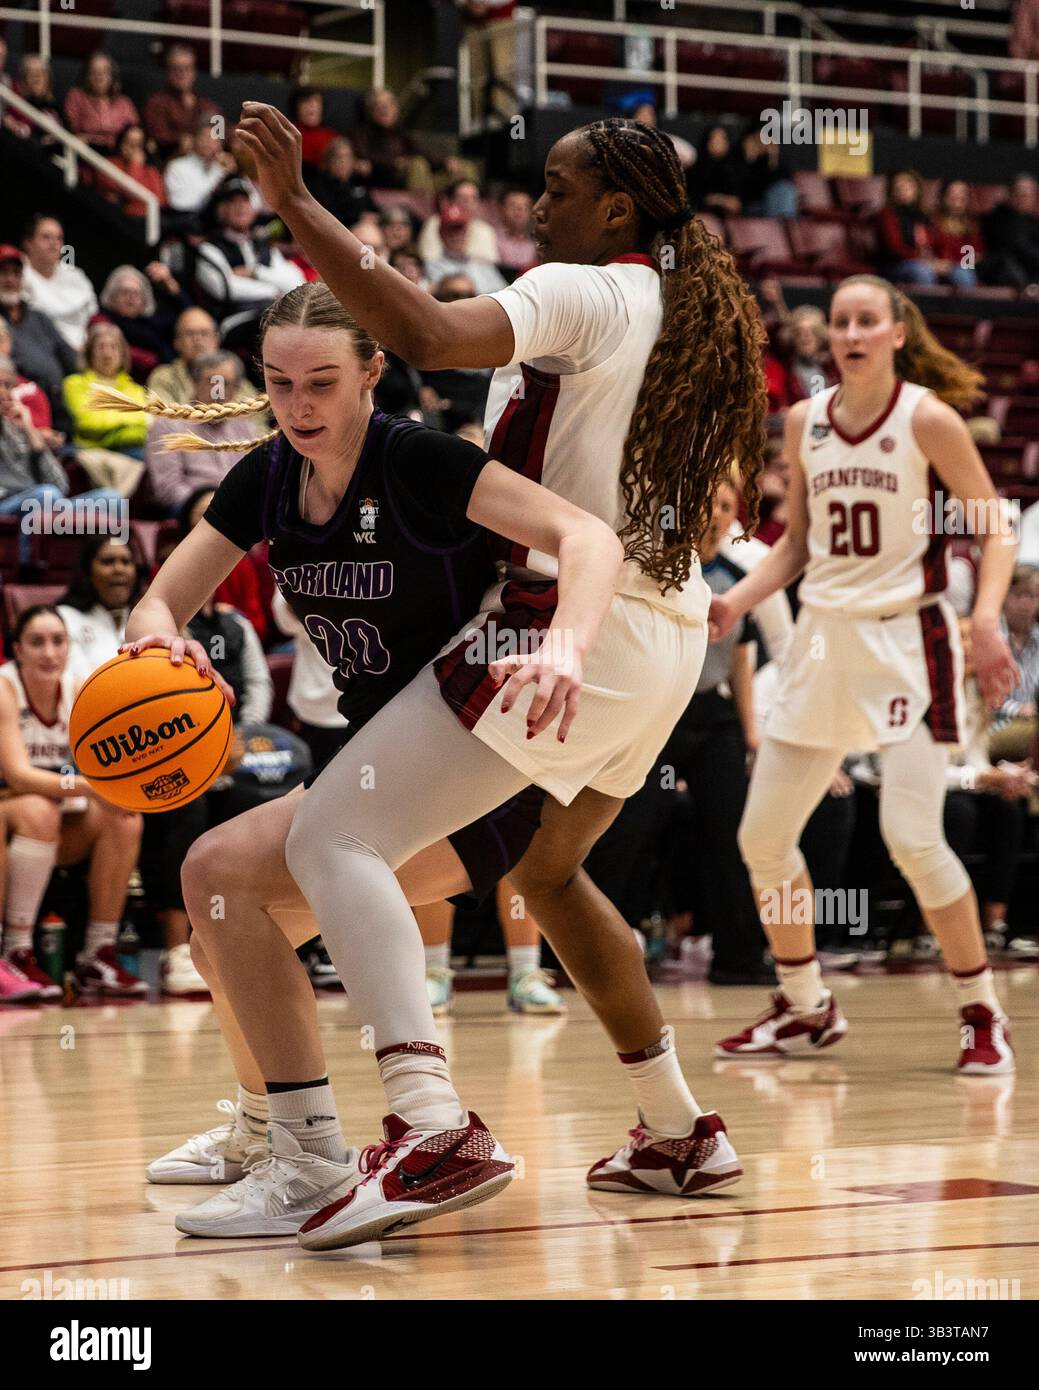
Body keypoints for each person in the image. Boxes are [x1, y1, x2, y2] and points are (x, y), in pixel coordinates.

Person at [209, 105, 768, 1246]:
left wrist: (298, 206)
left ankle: (430, 1127)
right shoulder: (685, 315)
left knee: (332, 836)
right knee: (551, 879)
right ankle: (676, 1130)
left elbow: (421, 330)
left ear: (616, 208)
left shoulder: (589, 290)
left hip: (564, 628)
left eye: (557, 189)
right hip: (658, 643)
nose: (535, 205)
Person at [119, 281, 595, 1230]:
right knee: (218, 928)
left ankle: (324, 1152)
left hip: (471, 764)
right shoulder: (265, 477)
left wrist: (567, 642)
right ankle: (265, 1131)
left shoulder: (418, 460)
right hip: (370, 767)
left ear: (373, 372)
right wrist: (160, 642)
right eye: (280, 382)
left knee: (217, 869)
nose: (299, 405)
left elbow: (581, 535)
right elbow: (157, 602)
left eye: (322, 383)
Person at [710, 274, 1019, 1074]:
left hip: (905, 641)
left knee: (911, 834)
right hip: (822, 640)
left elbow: (995, 531)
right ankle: (806, 1005)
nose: (848, 333)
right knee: (763, 837)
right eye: (840, 321)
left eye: (864, 321)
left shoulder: (928, 418)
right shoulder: (806, 422)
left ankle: (981, 1012)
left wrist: (984, 620)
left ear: (893, 334)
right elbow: (796, 544)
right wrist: (733, 602)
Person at [661, 478, 774, 986]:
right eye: (708, 501)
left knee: (734, 833)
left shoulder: (734, 581)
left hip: (712, 717)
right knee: (627, 827)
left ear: (734, 519)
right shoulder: (658, 567)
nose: (716, 513)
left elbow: (742, 660)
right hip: (658, 716)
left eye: (727, 506)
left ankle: (740, 958)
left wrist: (751, 736)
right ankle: (588, 961)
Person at [0, 606, 145, 1000]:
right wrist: (92, 786)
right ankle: (14, 950)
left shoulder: (80, 690)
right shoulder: (4, 689)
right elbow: (18, 775)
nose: (49, 652)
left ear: (68, 648)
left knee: (125, 817)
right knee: (39, 808)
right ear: (17, 650)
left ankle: (98, 953)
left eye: (57, 641)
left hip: (47, 820)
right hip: (10, 812)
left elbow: (110, 761)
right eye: (36, 642)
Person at [144, 351, 267, 511]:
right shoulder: (168, 425)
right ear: (194, 383)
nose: (219, 393)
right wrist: (212, 505)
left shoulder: (246, 427)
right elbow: (168, 489)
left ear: (237, 389)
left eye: (226, 384)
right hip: (192, 509)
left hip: (241, 511)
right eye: (212, 383)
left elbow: (257, 481)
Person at [0, 242, 77, 430]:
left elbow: (71, 359)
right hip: (19, 404)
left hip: (57, 403)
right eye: (3, 273)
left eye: (16, 273)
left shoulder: (39, 317)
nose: (10, 280)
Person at [196, 179, 306, 311]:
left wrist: (255, 273)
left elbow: (296, 283)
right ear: (221, 209)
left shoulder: (264, 246)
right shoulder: (209, 249)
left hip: (272, 315)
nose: (240, 207)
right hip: (234, 318)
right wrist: (273, 292)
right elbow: (224, 289)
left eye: (245, 201)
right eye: (232, 202)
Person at [57, 534, 143, 686]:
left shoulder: (148, 619)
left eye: (126, 561)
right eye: (107, 562)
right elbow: (80, 684)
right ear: (88, 571)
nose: (119, 569)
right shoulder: (65, 618)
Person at [63, 322, 149, 457]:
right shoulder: (74, 383)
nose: (107, 353)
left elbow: (145, 423)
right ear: (90, 353)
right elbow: (88, 421)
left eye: (113, 347)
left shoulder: (135, 389)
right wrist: (128, 420)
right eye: (101, 347)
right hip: (93, 451)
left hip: (133, 448)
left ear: (122, 355)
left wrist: (109, 416)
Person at [91, 264, 186, 383]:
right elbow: (121, 353)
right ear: (112, 296)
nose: (130, 298)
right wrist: (156, 362)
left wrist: (171, 285)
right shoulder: (102, 320)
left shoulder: (154, 324)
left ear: (145, 300)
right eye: (124, 292)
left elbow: (189, 317)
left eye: (136, 293)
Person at [146, 307, 257, 405]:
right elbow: (161, 420)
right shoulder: (164, 378)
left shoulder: (234, 378)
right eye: (190, 334)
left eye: (204, 333)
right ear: (176, 342)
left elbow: (256, 423)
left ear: (216, 340)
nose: (198, 340)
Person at [20, 215, 98, 354]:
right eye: (46, 237)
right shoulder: (18, 275)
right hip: (42, 349)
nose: (53, 243)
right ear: (28, 243)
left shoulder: (76, 276)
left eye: (58, 238)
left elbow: (93, 316)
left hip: (85, 351)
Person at [144, 43, 223, 161]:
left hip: (211, 163)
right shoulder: (157, 104)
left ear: (194, 72)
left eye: (187, 68)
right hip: (175, 162)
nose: (182, 74)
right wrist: (196, 143)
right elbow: (162, 140)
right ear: (168, 71)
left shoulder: (207, 105)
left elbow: (221, 130)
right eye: (176, 69)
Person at [62, 52, 139, 154]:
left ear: (112, 76)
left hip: (121, 153)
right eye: (94, 71)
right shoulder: (77, 97)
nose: (99, 76)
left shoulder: (124, 102)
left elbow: (135, 132)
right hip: (88, 153)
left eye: (105, 72)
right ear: (86, 75)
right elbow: (71, 129)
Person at [423, 203, 506, 295]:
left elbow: (504, 295)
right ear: (440, 233)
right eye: (450, 230)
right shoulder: (430, 266)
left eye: (459, 229)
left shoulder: (483, 264)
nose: (455, 236)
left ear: (468, 232)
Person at [165, 115, 238, 216]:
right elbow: (184, 204)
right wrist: (220, 174)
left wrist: (233, 173)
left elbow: (253, 204)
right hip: (189, 224)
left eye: (216, 140)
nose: (211, 143)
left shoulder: (222, 168)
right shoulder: (177, 167)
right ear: (195, 140)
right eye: (206, 137)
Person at [877, 170, 939, 286]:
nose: (903, 189)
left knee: (961, 272)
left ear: (917, 190)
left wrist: (942, 261)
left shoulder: (924, 216)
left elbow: (937, 242)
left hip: (925, 261)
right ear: (892, 190)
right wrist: (922, 260)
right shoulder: (887, 215)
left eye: (908, 185)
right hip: (896, 264)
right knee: (923, 272)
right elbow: (895, 248)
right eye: (899, 185)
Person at [96, 122, 167, 221]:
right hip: (122, 220)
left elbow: (161, 200)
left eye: (138, 144)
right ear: (120, 143)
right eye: (129, 142)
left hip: (151, 220)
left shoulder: (149, 168)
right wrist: (135, 164)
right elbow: (129, 193)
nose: (133, 148)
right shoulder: (108, 164)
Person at [417, 179, 498, 263]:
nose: (468, 202)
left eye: (473, 198)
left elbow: (490, 263)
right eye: (462, 197)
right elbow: (427, 258)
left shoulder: (485, 229)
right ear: (450, 200)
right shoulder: (435, 223)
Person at [981, 174, 1039, 290]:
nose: (1025, 199)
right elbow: (1019, 246)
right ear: (1011, 195)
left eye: (1030, 195)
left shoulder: (1032, 222)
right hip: (1001, 271)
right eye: (1021, 195)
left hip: (1027, 271)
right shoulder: (998, 218)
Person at [303, 136, 376, 227]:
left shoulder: (357, 183)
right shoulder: (320, 186)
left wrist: (373, 217)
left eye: (347, 157)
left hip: (364, 231)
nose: (343, 162)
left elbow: (373, 209)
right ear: (329, 161)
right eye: (338, 157)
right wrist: (359, 218)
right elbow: (328, 217)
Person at [929, 179, 983, 289]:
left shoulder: (971, 225)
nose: (957, 197)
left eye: (962, 193)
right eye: (952, 192)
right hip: (938, 268)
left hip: (962, 269)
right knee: (962, 274)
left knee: (964, 272)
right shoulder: (932, 221)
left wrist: (958, 263)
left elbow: (972, 257)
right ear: (943, 196)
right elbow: (927, 248)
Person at [5, 54, 62, 143]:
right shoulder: (14, 104)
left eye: (41, 72)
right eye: (31, 73)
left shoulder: (55, 105)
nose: (37, 77)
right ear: (22, 80)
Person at [686, 125, 742, 217]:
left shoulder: (734, 170)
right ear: (707, 141)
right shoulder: (695, 170)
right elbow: (695, 198)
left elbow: (736, 203)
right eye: (715, 138)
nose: (719, 142)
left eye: (723, 138)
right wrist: (720, 200)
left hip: (730, 221)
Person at [291, 87, 338, 168]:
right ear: (296, 107)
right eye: (306, 101)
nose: (313, 106)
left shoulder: (331, 137)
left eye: (317, 101)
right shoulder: (288, 133)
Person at [494, 188, 537, 273]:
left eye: (525, 207)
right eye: (513, 206)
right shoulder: (492, 238)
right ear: (502, 209)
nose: (519, 210)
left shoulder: (536, 244)